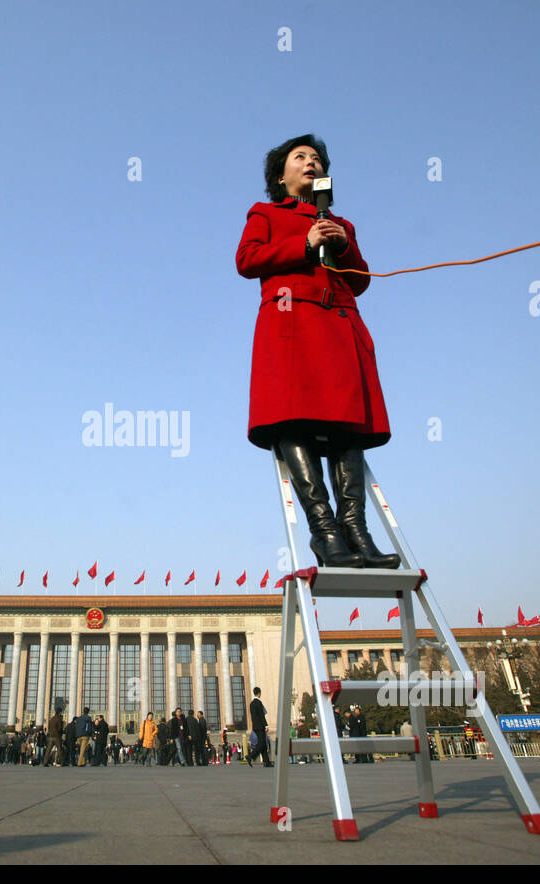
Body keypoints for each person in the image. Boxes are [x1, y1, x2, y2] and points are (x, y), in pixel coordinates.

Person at [237, 133, 401, 570]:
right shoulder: (266, 212)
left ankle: (358, 533)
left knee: (349, 428)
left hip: (338, 325)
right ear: (280, 174)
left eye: (317, 159)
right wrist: (304, 244)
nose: (311, 162)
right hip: (291, 324)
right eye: (300, 157)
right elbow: (247, 260)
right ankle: (325, 533)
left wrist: (341, 246)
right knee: (295, 421)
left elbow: (360, 280)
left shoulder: (341, 225)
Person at [247, 687, 272, 767]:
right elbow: (261, 715)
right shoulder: (258, 703)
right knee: (261, 743)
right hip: (260, 726)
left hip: (255, 726)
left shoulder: (251, 704)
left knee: (263, 744)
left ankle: (266, 762)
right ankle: (250, 756)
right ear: (259, 693)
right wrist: (266, 725)